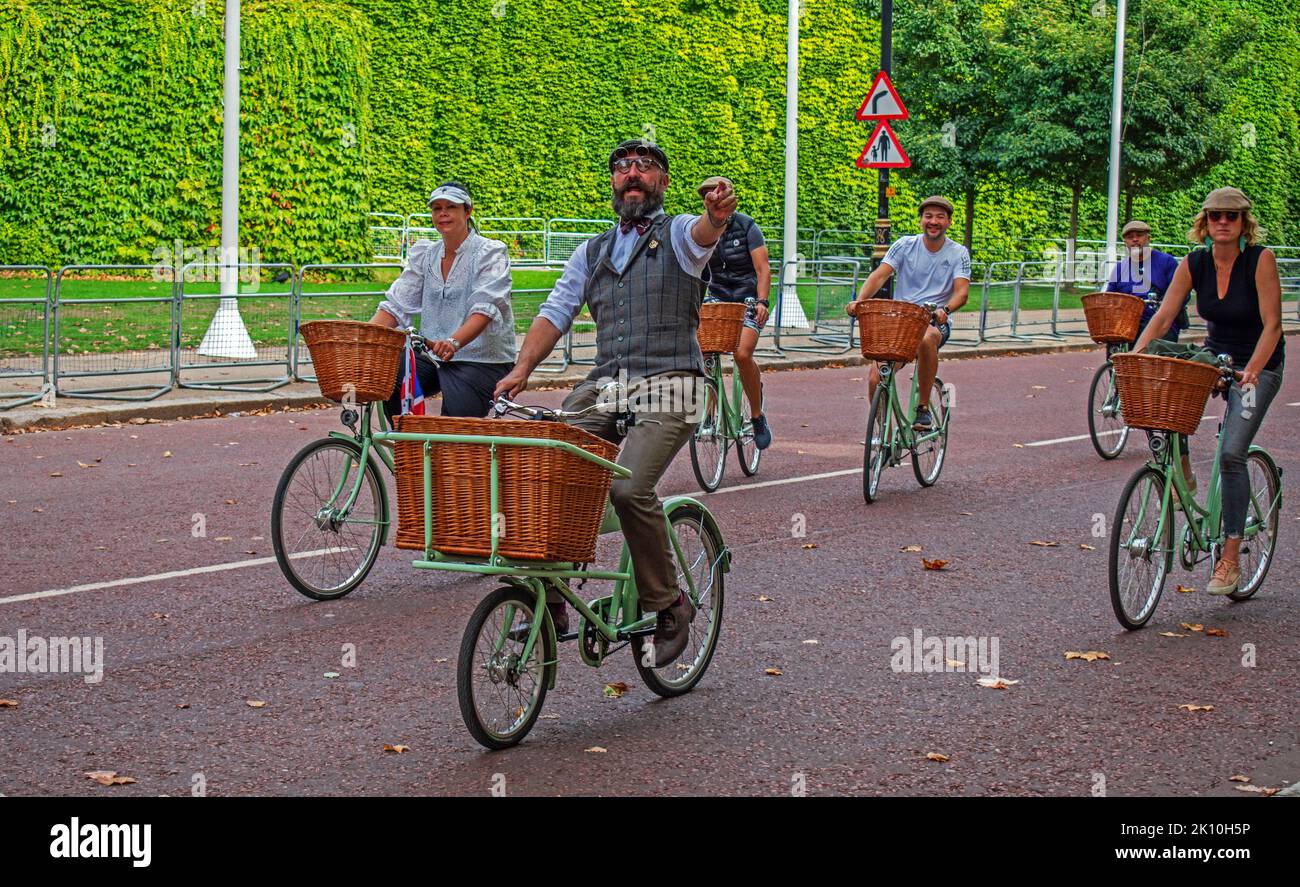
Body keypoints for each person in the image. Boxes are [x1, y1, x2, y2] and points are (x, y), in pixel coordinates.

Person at [494, 138, 736, 666]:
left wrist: (716, 216)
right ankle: (550, 595)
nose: (633, 174)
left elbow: (703, 235)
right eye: (623, 167)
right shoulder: (593, 249)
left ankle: (668, 605)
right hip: (607, 383)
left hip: (674, 383)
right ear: (612, 182)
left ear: (662, 182)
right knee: (547, 471)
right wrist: (521, 369)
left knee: (628, 490)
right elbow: (556, 311)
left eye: (645, 167)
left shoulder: (679, 235)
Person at [1132, 187, 1285, 596]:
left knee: (1233, 452)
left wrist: (1252, 370)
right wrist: (1137, 353)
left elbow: (1273, 326)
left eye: (1231, 217)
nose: (1222, 222)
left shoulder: (1260, 260)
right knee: (1163, 402)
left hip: (1258, 365)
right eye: (1215, 215)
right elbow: (1165, 315)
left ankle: (1231, 559)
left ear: (1243, 224)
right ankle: (1183, 475)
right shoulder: (1195, 262)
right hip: (1215, 358)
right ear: (1205, 221)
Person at [369, 181, 516, 418]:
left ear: (468, 212)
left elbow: (485, 308)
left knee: (455, 427)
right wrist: (360, 337)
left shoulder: (490, 252)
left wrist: (454, 341)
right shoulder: (425, 254)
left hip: (480, 359)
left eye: (451, 207)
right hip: (432, 356)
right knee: (388, 378)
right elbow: (396, 305)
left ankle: (450, 453)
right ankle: (409, 446)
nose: (443, 213)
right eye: (437, 208)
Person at [844, 195, 971, 429]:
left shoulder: (958, 253)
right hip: (902, 321)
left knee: (926, 338)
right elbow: (881, 274)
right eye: (928, 216)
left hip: (934, 319)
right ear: (921, 220)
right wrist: (860, 301)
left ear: (949, 222)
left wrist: (946, 309)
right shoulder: (905, 245)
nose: (934, 221)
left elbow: (962, 293)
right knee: (876, 375)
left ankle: (923, 409)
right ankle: (882, 430)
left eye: (940, 217)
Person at [1108, 219, 1194, 480]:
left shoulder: (1166, 262)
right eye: (1129, 237)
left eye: (1139, 235)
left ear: (1148, 237)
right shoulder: (1122, 268)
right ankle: (1117, 388)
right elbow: (1111, 293)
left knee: (1160, 367)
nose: (1135, 240)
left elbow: (1180, 294)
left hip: (1160, 322)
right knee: (1114, 347)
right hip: (1130, 323)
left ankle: (1161, 412)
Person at [698, 175, 773, 449]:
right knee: (706, 350)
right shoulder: (702, 229)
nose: (715, 198)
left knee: (742, 354)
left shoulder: (747, 226)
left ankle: (756, 415)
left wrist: (762, 301)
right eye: (709, 194)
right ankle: (708, 414)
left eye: (720, 192)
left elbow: (763, 269)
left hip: (748, 297)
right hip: (717, 295)